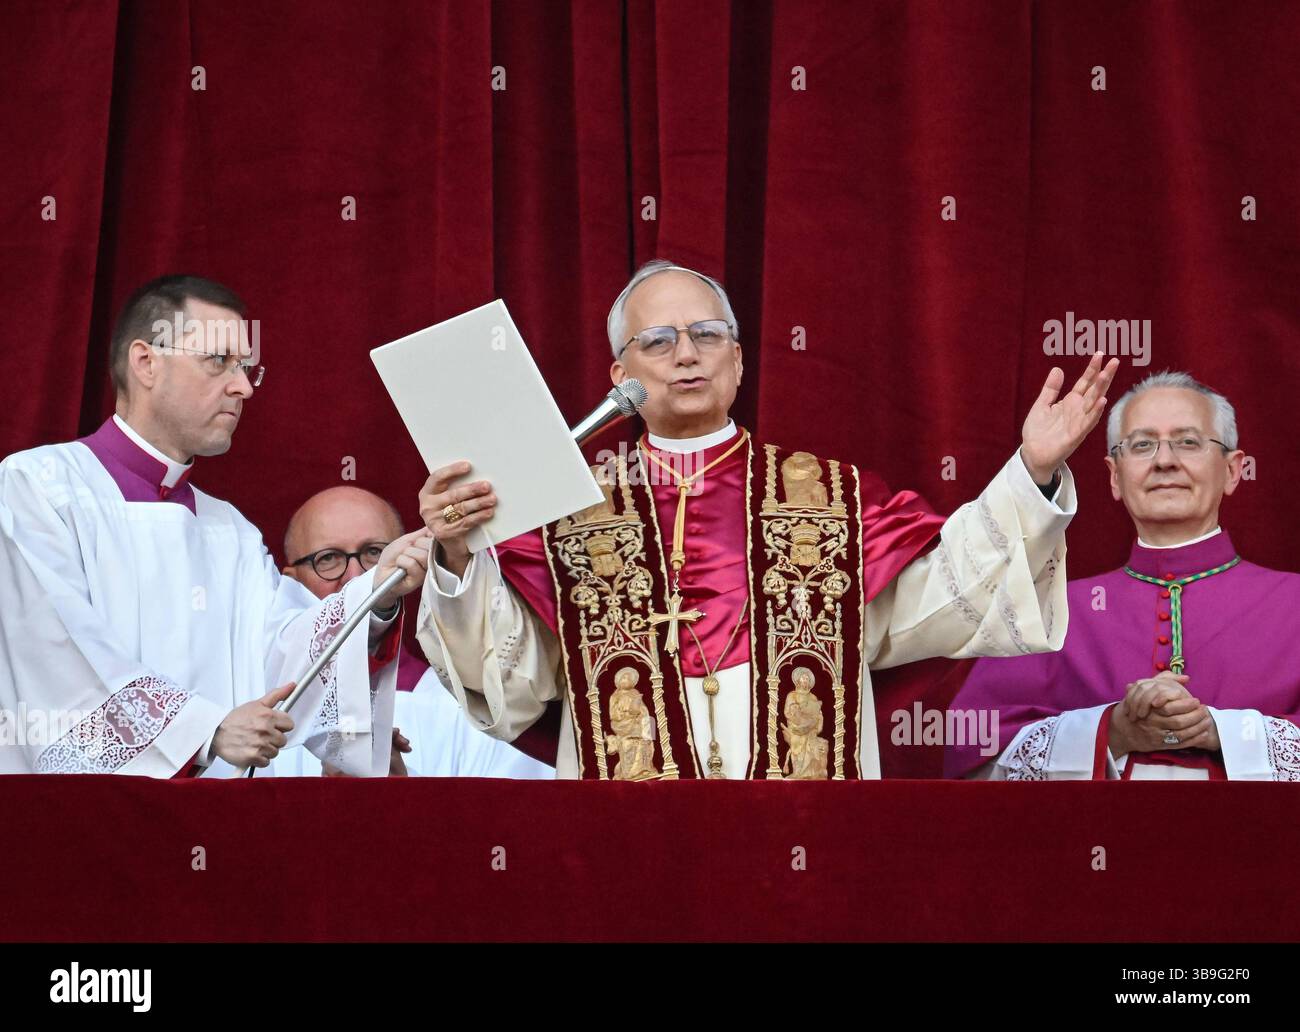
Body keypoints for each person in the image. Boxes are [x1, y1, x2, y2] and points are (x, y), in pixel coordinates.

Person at [414, 259, 1117, 780]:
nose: (685, 355)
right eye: (656, 341)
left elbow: (956, 594)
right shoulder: (565, 517)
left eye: (707, 335)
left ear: (739, 361)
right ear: (617, 375)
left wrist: (1033, 471)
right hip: (627, 854)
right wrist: (454, 555)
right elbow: (509, 679)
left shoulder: (828, 501)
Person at [0, 275, 429, 777]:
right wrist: (205, 731)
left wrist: (374, 595)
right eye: (219, 361)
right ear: (146, 363)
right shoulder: (38, 488)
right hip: (90, 823)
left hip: (221, 827)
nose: (243, 386)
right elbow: (55, 659)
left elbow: (285, 651)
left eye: (246, 367)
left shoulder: (230, 531)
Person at [947, 371, 1300, 781]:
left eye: (1188, 441)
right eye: (1142, 445)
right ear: (1115, 476)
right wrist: (1110, 730)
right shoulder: (1046, 610)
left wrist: (1220, 731)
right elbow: (972, 756)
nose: (1165, 461)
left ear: (1233, 470)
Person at [268, 485, 553, 778]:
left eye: (375, 553)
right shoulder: (256, 701)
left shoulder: (474, 700)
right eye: (328, 558)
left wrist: (402, 789)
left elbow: (516, 814)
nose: (356, 577)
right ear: (292, 581)